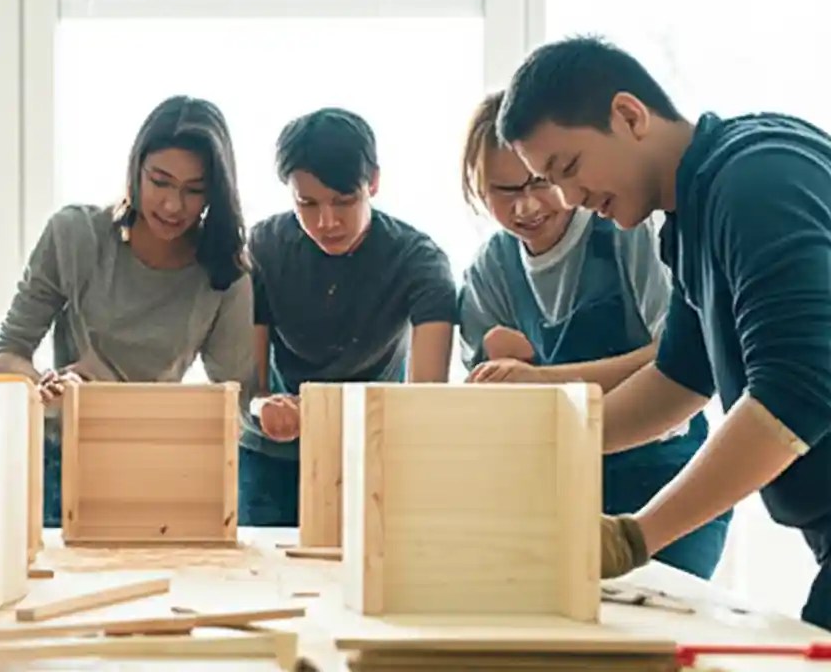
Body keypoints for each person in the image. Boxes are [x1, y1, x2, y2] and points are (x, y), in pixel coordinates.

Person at [496, 34, 831, 629]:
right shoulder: (690, 218)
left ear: (629, 116)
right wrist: (552, 442)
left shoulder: (756, 182)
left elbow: (798, 390)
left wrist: (633, 538)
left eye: (568, 169)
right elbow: (679, 378)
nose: (569, 198)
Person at [457, 90, 731, 580]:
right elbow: (490, 399)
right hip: (559, 483)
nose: (526, 206)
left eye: (541, 182)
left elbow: (678, 361)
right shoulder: (491, 270)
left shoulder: (628, 229)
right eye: (503, 190)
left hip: (664, 477)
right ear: (478, 190)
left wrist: (545, 381)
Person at [0, 94, 255, 527]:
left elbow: (235, 401)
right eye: (160, 181)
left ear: (215, 193)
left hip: (157, 464)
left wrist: (141, 410)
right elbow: (5, 354)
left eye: (193, 191)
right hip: (62, 455)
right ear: (136, 170)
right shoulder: (75, 234)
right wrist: (45, 388)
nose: (172, 205)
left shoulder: (226, 273)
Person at [242, 107, 457, 526]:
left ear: (373, 182)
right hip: (273, 448)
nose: (327, 222)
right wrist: (263, 404)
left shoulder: (419, 259)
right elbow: (249, 385)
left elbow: (427, 395)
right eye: (307, 203)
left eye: (344, 201)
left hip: (375, 442)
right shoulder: (265, 247)